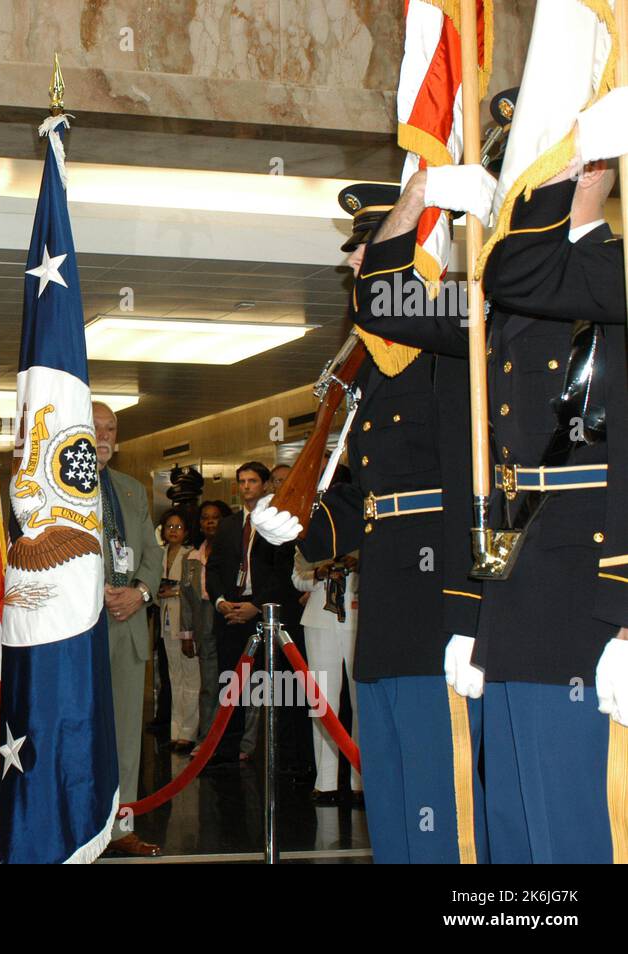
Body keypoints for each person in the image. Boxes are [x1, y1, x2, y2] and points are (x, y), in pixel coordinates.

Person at [254, 169, 496, 862]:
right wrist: (304, 525)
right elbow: (369, 496)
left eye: (369, 247)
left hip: (440, 605)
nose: (355, 261)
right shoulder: (374, 367)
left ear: (418, 252)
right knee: (388, 793)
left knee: (439, 797)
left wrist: (464, 616)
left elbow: (475, 490)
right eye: (360, 250)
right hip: (387, 607)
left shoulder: (454, 355)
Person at [452, 90, 628, 860]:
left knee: (567, 821)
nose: (513, 189)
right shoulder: (527, 292)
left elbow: (516, 265)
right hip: (520, 578)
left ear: (587, 170)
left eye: (527, 171)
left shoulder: (609, 272)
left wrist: (625, 605)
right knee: (515, 821)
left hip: (583, 584)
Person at [94, 400, 164, 857]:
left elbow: (152, 557)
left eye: (110, 428)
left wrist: (138, 592)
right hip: (82, 625)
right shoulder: (60, 489)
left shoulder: (134, 490)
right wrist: (97, 592)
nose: (103, 434)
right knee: (80, 729)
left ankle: (121, 830)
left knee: (125, 737)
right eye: (94, 426)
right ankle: (80, 828)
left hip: (130, 623)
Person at [204, 462, 292, 763]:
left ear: (265, 485)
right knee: (231, 682)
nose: (246, 487)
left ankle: (267, 748)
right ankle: (228, 745)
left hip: (263, 610)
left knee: (269, 684)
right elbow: (213, 569)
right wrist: (220, 602)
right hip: (230, 610)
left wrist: (257, 606)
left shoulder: (278, 521)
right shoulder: (229, 524)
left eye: (252, 481)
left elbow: (283, 571)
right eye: (241, 481)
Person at [291, 543, 361, 804]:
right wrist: (318, 573)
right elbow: (298, 578)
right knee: (322, 701)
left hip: (358, 616)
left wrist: (359, 565)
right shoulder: (312, 536)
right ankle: (326, 781)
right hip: (319, 620)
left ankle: (361, 779)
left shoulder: (364, 530)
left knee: (361, 701)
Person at [156, 508, 200, 753]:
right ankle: (175, 730)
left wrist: (171, 591)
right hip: (165, 621)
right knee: (174, 677)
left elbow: (193, 591)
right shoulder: (159, 554)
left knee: (191, 677)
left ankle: (189, 732)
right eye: (169, 526)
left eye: (178, 527)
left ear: (187, 531)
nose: (173, 531)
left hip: (186, 623)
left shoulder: (191, 554)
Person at [193, 500, 231, 745]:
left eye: (215, 517)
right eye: (205, 517)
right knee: (208, 683)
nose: (210, 522)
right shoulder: (194, 555)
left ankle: (234, 742)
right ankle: (206, 740)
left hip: (228, 612)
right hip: (203, 615)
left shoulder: (232, 550)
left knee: (232, 682)